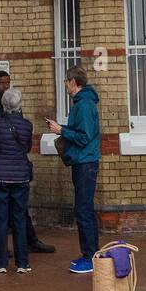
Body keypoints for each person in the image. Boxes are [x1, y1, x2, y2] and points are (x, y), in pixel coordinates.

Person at [0, 71, 53, 256]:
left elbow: (21, 135)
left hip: (13, 165)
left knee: (20, 209)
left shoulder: (14, 104)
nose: (5, 86)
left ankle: (30, 241)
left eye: (7, 83)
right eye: (1, 83)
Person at [47, 66, 100, 274]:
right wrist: (63, 129)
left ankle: (90, 257)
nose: (65, 85)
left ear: (73, 82)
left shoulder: (84, 105)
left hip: (85, 162)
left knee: (83, 210)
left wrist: (61, 130)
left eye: (66, 81)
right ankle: (91, 254)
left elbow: (84, 136)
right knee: (84, 209)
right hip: (83, 161)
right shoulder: (82, 103)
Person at [0, 88, 35, 274]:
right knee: (19, 218)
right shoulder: (27, 125)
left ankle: (1, 262)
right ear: (20, 105)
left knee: (0, 219)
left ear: (3, 105)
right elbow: (27, 148)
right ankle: (22, 262)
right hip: (20, 176)